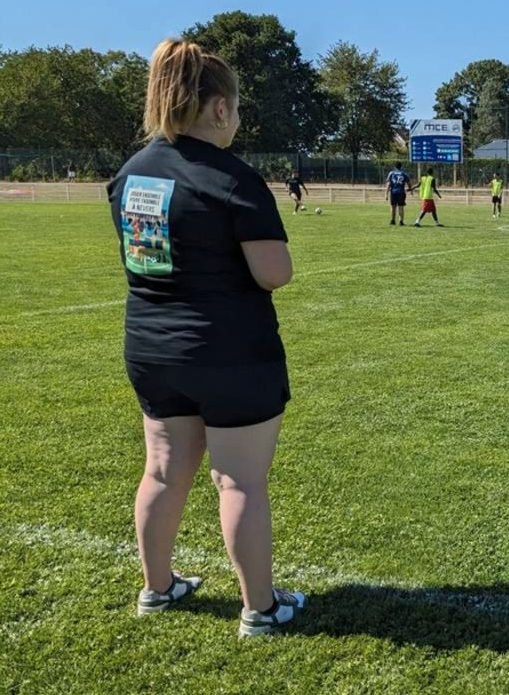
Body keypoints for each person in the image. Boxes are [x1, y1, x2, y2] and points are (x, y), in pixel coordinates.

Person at [107, 39, 306, 638]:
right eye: (236, 108)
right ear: (220, 108)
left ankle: (158, 587)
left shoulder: (130, 173)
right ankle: (260, 608)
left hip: (152, 346)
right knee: (239, 480)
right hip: (229, 351)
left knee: (162, 472)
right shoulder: (232, 177)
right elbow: (274, 272)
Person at [385, 161, 412, 226]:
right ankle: (401, 221)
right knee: (401, 207)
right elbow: (409, 183)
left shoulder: (391, 173)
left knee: (393, 206)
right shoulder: (404, 174)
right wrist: (410, 190)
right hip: (401, 192)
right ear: (401, 166)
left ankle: (393, 220)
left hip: (393, 192)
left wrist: (386, 194)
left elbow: (388, 184)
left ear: (395, 166)